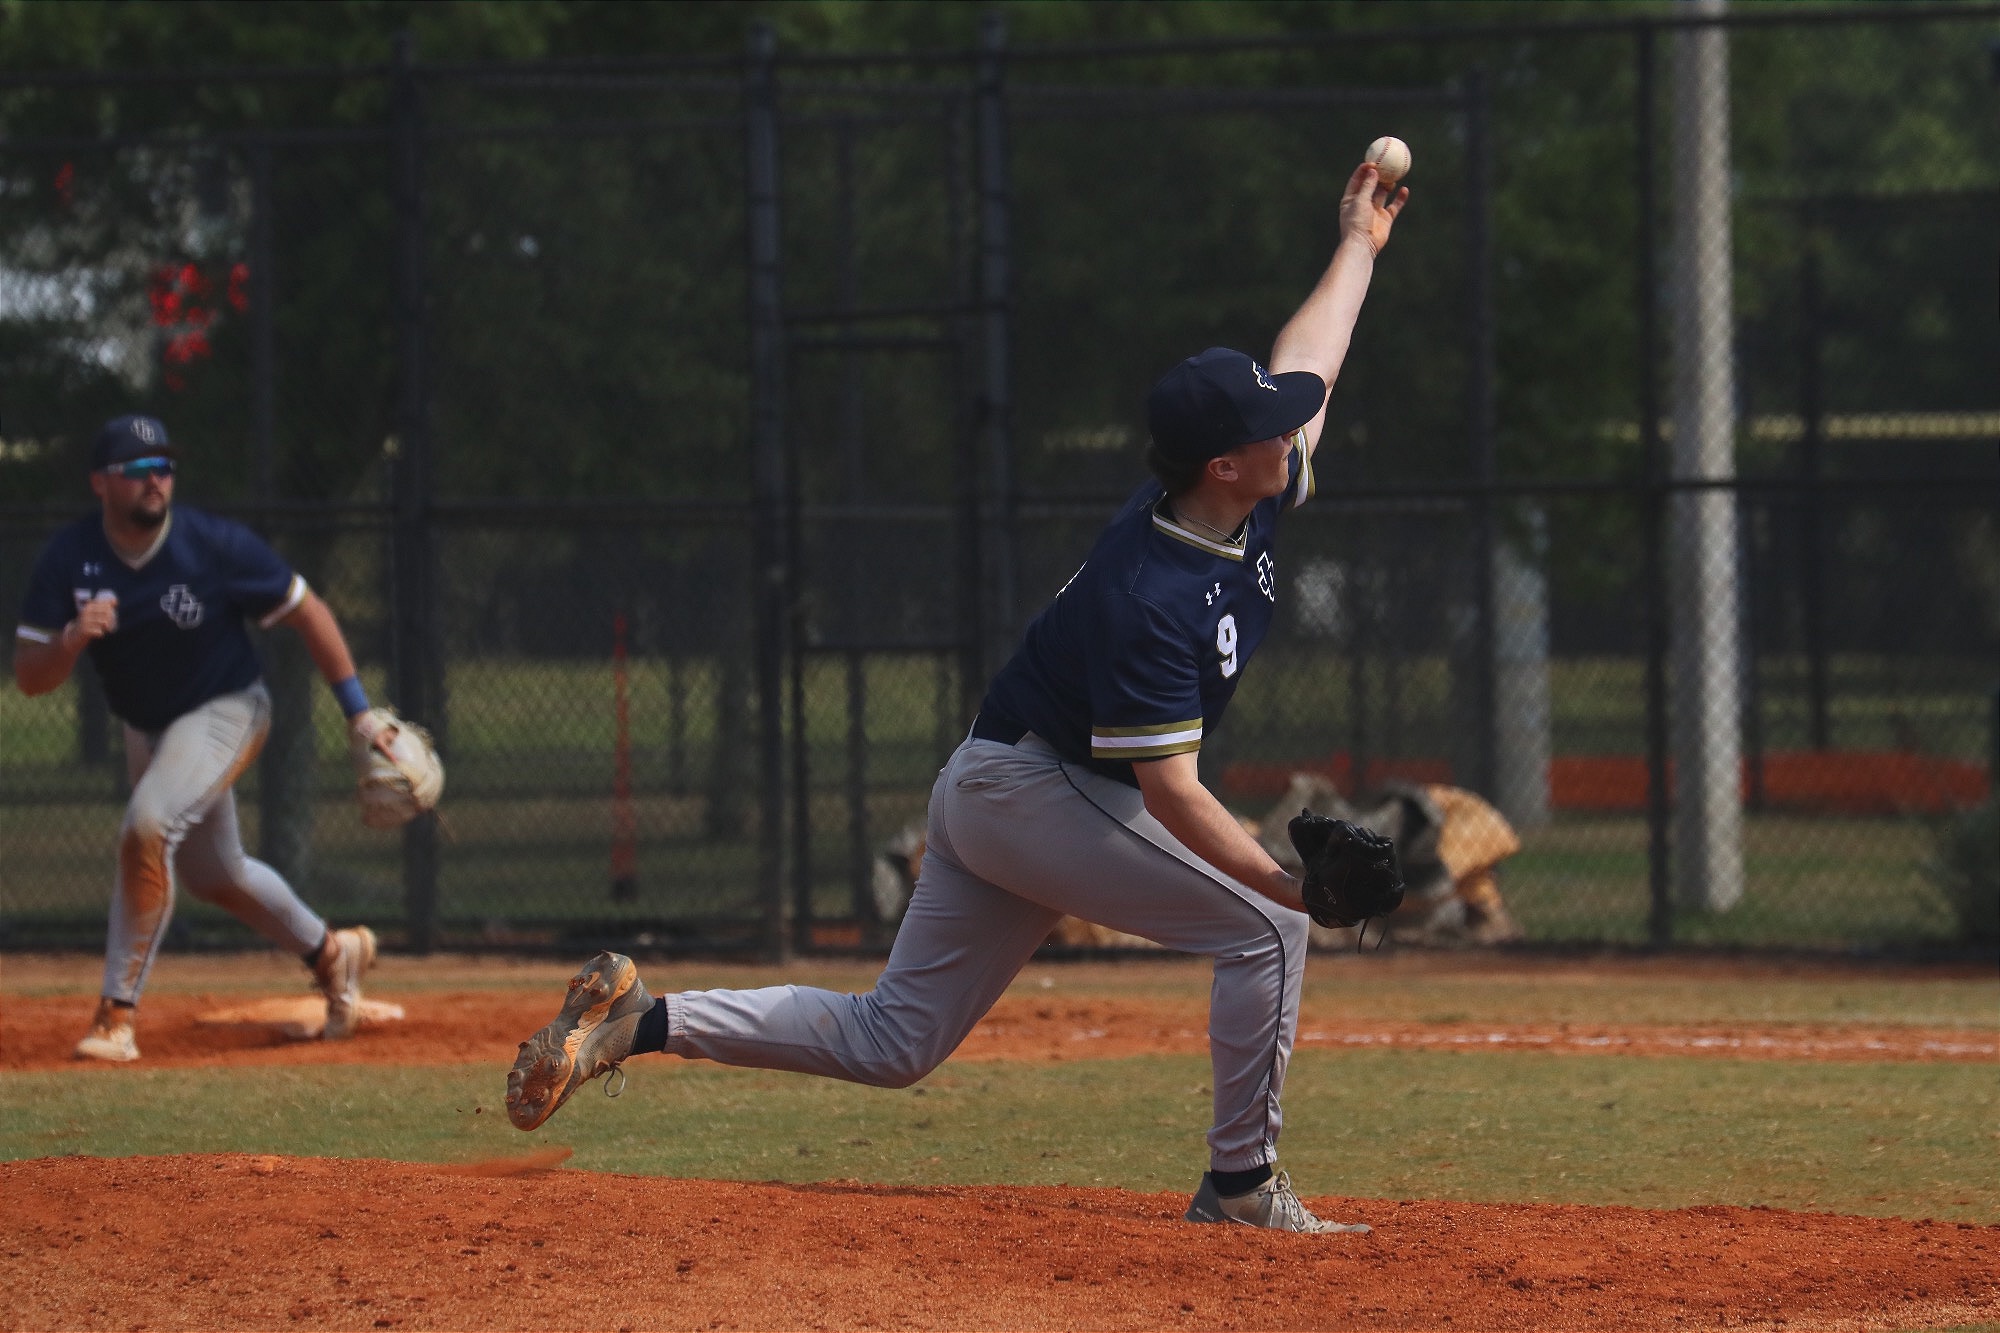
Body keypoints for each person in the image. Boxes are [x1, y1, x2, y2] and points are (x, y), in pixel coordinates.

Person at [506, 159, 1409, 1231]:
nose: (1292, 430)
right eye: (1270, 427)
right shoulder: (1151, 595)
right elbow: (1168, 791)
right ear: (1223, 462)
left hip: (1003, 785)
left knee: (895, 1042)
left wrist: (1355, 240)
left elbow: (1308, 363)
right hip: (1042, 794)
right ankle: (1240, 1189)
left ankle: (640, 1022)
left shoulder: (1234, 495)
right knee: (1266, 928)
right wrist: (1290, 884)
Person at [14, 414, 386, 1062]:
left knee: (148, 826)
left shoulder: (212, 545)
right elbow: (29, 676)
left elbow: (308, 609)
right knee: (219, 874)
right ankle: (334, 954)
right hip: (148, 728)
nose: (155, 478)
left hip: (227, 707)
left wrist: (358, 712)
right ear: (100, 482)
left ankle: (115, 1015)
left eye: (163, 466)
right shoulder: (70, 557)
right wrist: (71, 640)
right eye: (136, 468)